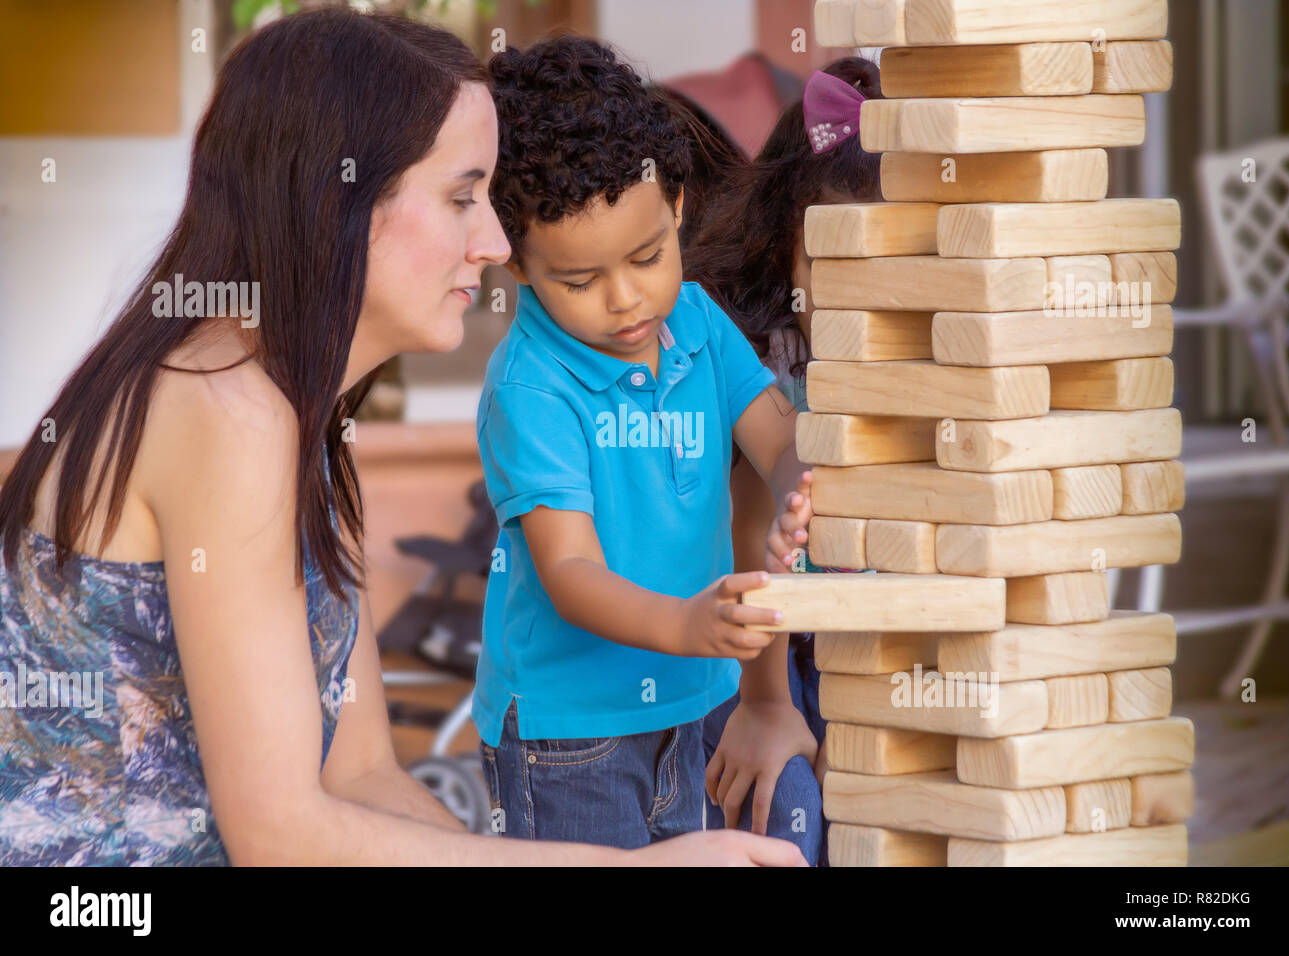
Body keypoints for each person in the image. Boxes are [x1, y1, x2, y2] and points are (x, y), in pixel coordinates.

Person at [0, 9, 802, 867]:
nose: (495, 245)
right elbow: (279, 834)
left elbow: (365, 778)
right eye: (463, 197)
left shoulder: (294, 417)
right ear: (336, 204)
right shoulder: (224, 413)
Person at [472, 34, 814, 849]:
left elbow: (778, 438)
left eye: (648, 255)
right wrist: (691, 627)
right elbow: (570, 572)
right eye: (579, 282)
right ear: (518, 266)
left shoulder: (697, 321)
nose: (626, 301)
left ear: (680, 209)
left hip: (694, 702)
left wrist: (802, 493)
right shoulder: (531, 387)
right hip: (569, 735)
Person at [684, 58, 886, 865]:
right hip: (757, 643)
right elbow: (751, 518)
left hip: (874, 643)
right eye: (828, 262)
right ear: (784, 247)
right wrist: (766, 705)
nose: (857, 297)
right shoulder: (769, 362)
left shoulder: (947, 362)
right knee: (788, 807)